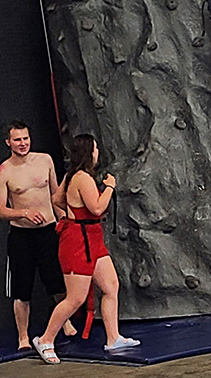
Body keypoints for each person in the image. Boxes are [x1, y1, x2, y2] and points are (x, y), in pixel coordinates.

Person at [32, 134, 140, 365]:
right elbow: (97, 208)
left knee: (111, 285)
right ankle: (45, 339)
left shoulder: (73, 175)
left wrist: (71, 211)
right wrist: (109, 187)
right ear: (90, 152)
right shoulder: (82, 178)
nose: (98, 151)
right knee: (75, 298)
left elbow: (57, 199)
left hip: (92, 237)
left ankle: (113, 338)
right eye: (96, 148)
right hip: (78, 242)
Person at [0, 120, 76, 350]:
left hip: (49, 232)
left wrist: (66, 220)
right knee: (21, 289)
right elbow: (1, 210)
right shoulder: (5, 170)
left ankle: (65, 322)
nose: (23, 143)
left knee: (57, 282)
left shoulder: (45, 160)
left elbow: (56, 195)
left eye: (25, 138)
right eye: (17, 140)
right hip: (21, 236)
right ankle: (23, 336)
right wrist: (24, 212)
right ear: (8, 142)